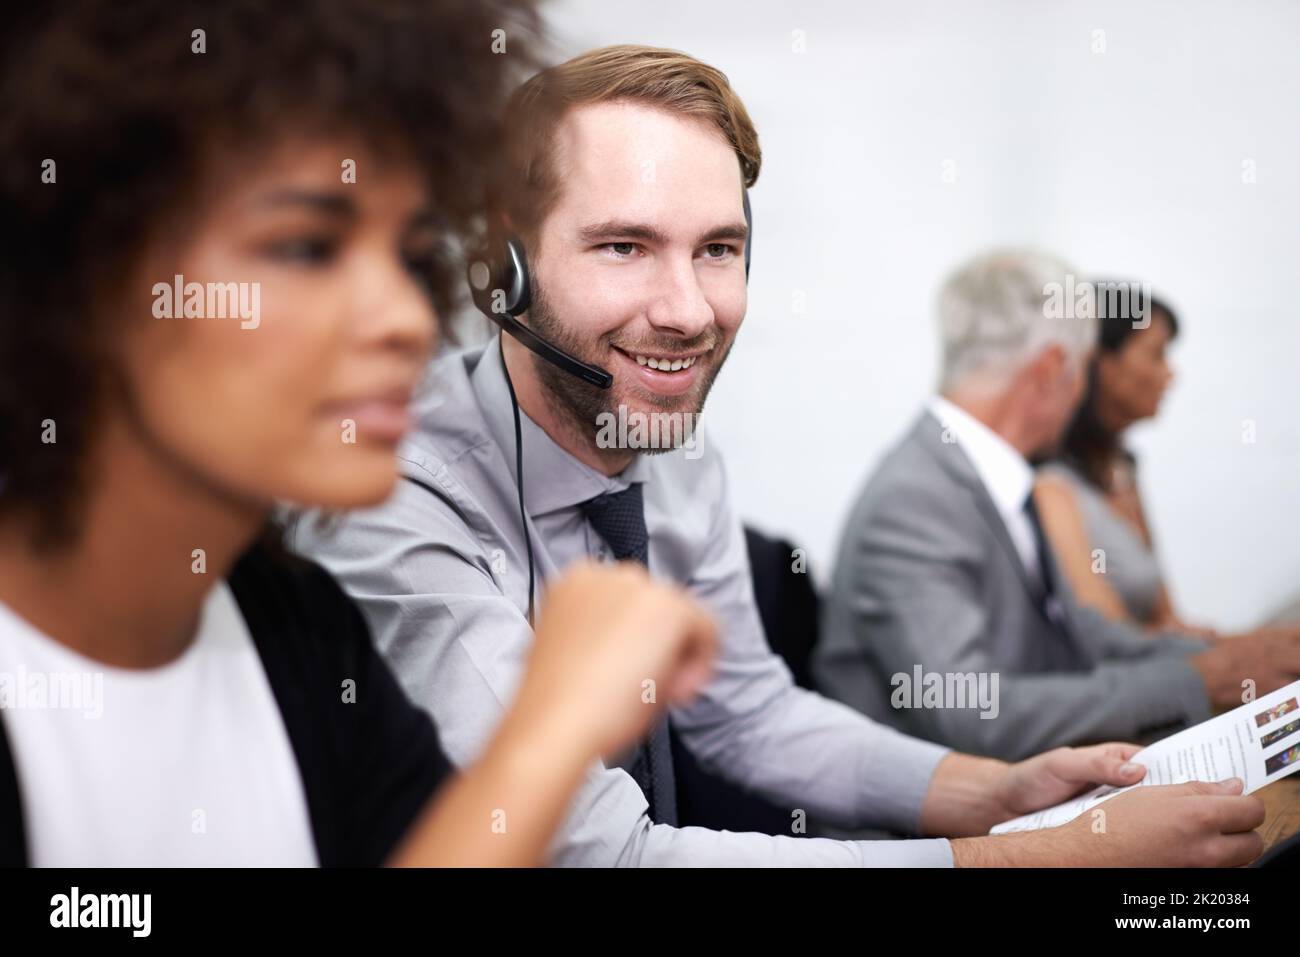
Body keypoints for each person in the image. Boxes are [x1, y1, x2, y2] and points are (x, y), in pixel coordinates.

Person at [294, 46, 1266, 867]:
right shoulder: (394, 490)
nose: (686, 311)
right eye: (624, 247)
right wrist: (1022, 856)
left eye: (716, 249)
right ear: (497, 272)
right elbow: (600, 854)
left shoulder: (667, 440)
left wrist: (993, 792)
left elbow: (747, 713)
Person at [0, 0, 719, 868]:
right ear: (83, 273)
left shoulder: (299, 628)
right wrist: (554, 722)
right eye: (306, 247)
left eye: (414, 259)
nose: (408, 320)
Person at [815, 250, 1300, 763]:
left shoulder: (992, 480)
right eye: (1085, 369)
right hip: (926, 826)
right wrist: (1196, 680)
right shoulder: (915, 501)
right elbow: (973, 714)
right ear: (1051, 369)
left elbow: (1082, 640)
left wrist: (1230, 661)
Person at [1034, 285, 1212, 634]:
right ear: (1099, 363)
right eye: (1156, 355)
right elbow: (1110, 644)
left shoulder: (1122, 469)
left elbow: (1168, 621)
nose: (1170, 374)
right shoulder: (1048, 484)